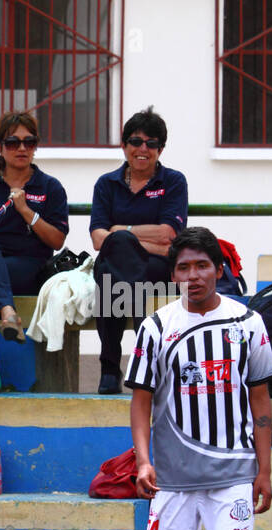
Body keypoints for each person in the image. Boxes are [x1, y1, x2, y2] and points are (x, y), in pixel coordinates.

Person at [123, 227, 272, 530]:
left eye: (201, 265)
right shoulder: (156, 327)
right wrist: (144, 461)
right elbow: (141, 402)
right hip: (173, 473)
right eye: (184, 267)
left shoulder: (247, 322)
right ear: (174, 275)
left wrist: (264, 470)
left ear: (219, 270)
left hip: (233, 469)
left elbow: (262, 399)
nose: (193, 275)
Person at [90, 107, 189, 394]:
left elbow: (169, 234)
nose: (142, 149)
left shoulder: (173, 181)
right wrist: (131, 239)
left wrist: (122, 232)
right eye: (135, 141)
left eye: (152, 143)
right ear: (124, 145)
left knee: (110, 276)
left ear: (161, 149)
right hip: (133, 269)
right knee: (113, 266)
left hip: (157, 266)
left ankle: (110, 367)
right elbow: (97, 239)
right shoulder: (106, 184)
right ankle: (142, 364)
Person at [0, 111, 68, 342]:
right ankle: (8, 311)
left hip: (29, 265)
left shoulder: (50, 186)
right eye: (12, 142)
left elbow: (57, 240)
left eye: (29, 142)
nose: (22, 148)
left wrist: (26, 211)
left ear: (36, 146)